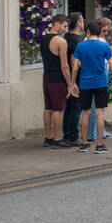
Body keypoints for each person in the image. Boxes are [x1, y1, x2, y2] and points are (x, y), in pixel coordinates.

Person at [72, 19, 112, 154]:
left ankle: (84, 143)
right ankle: (100, 144)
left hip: (85, 82)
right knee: (100, 113)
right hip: (101, 82)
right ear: (99, 31)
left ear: (88, 31)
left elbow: (75, 67)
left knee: (85, 112)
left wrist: (72, 84)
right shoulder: (104, 47)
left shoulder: (81, 46)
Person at [39, 14, 73, 148]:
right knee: (58, 109)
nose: (65, 29)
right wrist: (70, 84)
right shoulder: (60, 41)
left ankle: (48, 137)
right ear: (56, 24)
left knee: (48, 108)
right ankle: (57, 139)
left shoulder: (43, 39)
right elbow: (64, 66)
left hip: (46, 77)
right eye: (64, 26)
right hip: (58, 80)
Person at [60, 12, 85, 145]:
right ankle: (72, 136)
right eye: (82, 20)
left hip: (68, 77)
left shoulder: (66, 37)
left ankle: (67, 134)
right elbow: (73, 62)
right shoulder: (76, 41)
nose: (84, 22)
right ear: (78, 23)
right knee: (76, 106)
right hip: (76, 77)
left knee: (69, 107)